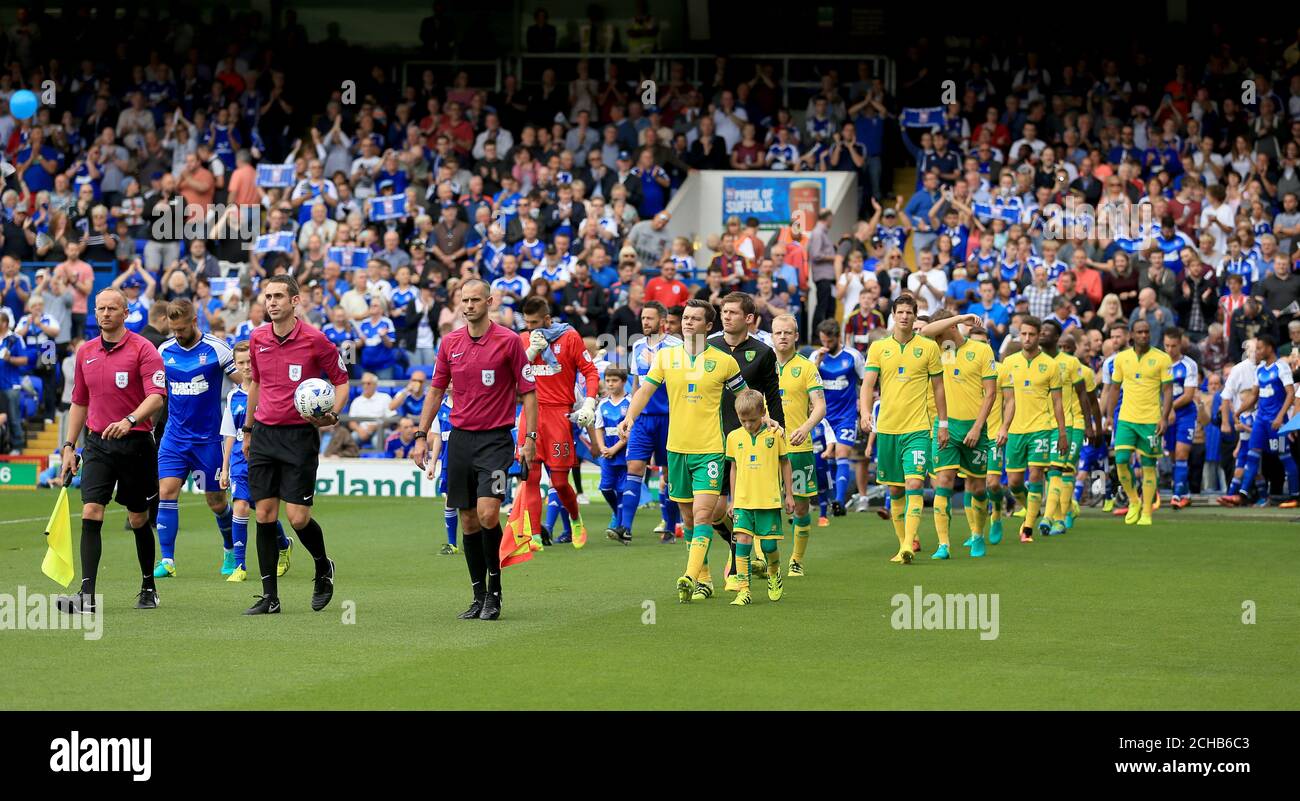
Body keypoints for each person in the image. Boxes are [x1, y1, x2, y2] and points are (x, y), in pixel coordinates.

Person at [410, 278, 538, 621]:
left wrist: (530, 439)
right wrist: (421, 435)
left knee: (487, 514)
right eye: (464, 300)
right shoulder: (450, 343)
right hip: (461, 442)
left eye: (475, 300)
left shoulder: (509, 342)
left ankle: (495, 592)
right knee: (467, 521)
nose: (469, 305)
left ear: (490, 302)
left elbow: (528, 393)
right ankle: (478, 595)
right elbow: (435, 391)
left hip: (496, 441)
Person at [617, 299, 753, 604]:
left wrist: (764, 419)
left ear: (708, 326)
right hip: (676, 448)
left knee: (705, 514)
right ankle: (704, 578)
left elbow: (746, 397)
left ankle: (689, 576)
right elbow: (645, 390)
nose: (688, 322)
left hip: (710, 449)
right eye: (686, 317)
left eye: (695, 318)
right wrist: (629, 417)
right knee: (689, 519)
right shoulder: (665, 358)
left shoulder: (724, 361)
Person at [241, 274, 350, 615]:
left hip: (299, 437)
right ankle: (269, 597)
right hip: (263, 434)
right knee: (264, 513)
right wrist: (247, 428)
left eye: (277, 296)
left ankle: (322, 565)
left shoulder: (316, 340)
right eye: (267, 297)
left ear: (294, 301)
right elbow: (256, 384)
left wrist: (332, 415)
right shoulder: (257, 337)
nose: (270, 302)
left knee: (298, 517)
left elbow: (342, 381)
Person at [57, 288, 167, 614]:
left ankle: (148, 585)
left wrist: (130, 419)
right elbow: (79, 401)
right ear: (94, 313)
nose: (105, 313)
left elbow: (157, 396)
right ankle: (86, 595)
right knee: (91, 511)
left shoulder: (144, 349)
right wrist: (68, 445)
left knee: (138, 518)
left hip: (135, 445)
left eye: (112, 308)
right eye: (100, 308)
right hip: (97, 444)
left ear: (126, 312)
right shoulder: (85, 352)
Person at [151, 300, 241, 580]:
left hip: (208, 442)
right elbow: (153, 391)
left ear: (194, 321)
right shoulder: (163, 351)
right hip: (174, 439)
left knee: (215, 501)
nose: (177, 333)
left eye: (181, 328)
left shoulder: (217, 348)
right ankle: (167, 560)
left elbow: (244, 382)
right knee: (166, 492)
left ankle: (228, 549)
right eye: (173, 329)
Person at [706, 292, 786, 597]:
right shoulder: (709, 346)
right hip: (713, 437)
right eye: (724, 312)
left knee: (742, 506)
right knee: (715, 510)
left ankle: (740, 564)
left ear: (749, 319)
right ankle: (734, 544)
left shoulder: (763, 353)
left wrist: (779, 428)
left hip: (749, 442)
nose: (726, 316)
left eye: (733, 312)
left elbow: (773, 394)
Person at [859, 293, 947, 563]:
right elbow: (868, 384)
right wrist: (864, 412)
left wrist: (943, 423)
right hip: (887, 428)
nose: (905, 317)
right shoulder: (878, 348)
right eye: (901, 312)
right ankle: (901, 545)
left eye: (910, 312)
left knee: (915, 483)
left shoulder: (929, 348)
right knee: (895, 490)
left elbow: (939, 388)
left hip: (918, 429)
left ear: (915, 314)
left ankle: (909, 544)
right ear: (894, 315)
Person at [512, 296, 599, 548]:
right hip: (530, 414)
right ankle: (535, 535)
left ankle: (575, 518)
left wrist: (590, 403)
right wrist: (529, 352)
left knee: (560, 482)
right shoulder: (522, 339)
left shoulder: (569, 338)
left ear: (548, 319)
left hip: (558, 416)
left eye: (535, 322)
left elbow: (590, 372)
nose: (531, 328)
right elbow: (510, 375)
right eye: (527, 323)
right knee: (530, 477)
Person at [917, 311, 998, 558]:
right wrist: (959, 318)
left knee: (977, 487)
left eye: (941, 334)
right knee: (944, 482)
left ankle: (977, 535)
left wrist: (977, 427)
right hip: (946, 427)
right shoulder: (945, 350)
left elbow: (991, 394)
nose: (936, 339)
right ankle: (944, 544)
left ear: (950, 331)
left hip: (975, 429)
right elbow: (925, 332)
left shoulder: (981, 351)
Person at [218, 341, 293, 581]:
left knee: (262, 510)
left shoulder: (269, 391)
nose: (246, 367)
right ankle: (240, 566)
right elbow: (230, 434)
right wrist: (225, 468)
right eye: (240, 363)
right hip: (241, 459)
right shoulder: (233, 396)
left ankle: (283, 544)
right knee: (240, 505)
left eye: (249, 361)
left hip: (265, 457)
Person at [998, 315, 1068, 542]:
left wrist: (1062, 432)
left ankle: (1027, 527)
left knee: (1037, 473)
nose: (1027, 338)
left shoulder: (1050, 365)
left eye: (1031, 335)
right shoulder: (1009, 362)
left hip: (1041, 427)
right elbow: (1004, 400)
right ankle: (1032, 506)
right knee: (1015, 482)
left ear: (1039, 336)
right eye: (1023, 334)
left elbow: (1058, 402)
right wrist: (1003, 427)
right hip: (1016, 430)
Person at [724, 389, 795, 607]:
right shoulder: (734, 437)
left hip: (768, 500)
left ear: (763, 412)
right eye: (743, 420)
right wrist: (733, 499)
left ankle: (774, 573)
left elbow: (785, 463)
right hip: (744, 502)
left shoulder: (775, 435)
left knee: (769, 546)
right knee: (742, 543)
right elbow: (734, 469)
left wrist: (789, 494)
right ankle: (744, 590)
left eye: (752, 420)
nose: (747, 425)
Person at [621, 301, 683, 545]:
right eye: (643, 318)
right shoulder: (636, 346)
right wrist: (630, 415)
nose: (645, 322)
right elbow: (638, 385)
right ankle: (624, 527)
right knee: (634, 467)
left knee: (669, 474)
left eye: (650, 318)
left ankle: (669, 526)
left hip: (670, 418)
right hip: (643, 420)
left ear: (662, 321)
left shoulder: (676, 346)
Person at [771, 313, 826, 576]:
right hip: (768, 448)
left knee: (801, 506)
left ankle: (795, 559)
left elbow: (820, 407)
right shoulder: (763, 365)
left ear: (796, 336)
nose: (783, 337)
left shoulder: (806, 367)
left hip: (798, 448)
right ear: (772, 336)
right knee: (765, 504)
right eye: (778, 333)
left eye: (787, 333)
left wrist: (805, 428)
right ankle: (764, 560)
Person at [1103, 319, 1173, 525]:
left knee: (1148, 465)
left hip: (1151, 420)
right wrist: (1108, 415)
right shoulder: (1121, 359)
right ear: (1132, 335)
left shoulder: (1161, 358)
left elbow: (1167, 390)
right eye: (1139, 332)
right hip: (1126, 418)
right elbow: (1114, 388)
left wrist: (1164, 416)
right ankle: (1133, 500)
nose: (1143, 335)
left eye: (1146, 332)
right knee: (1121, 460)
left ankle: (1146, 512)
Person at [1219, 334, 1297, 507]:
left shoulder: (1281, 367)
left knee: (1285, 457)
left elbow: (1291, 393)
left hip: (1277, 422)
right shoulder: (1260, 370)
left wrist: (1280, 417)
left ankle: (1295, 496)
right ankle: (1242, 495)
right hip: (1261, 421)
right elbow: (1254, 395)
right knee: (1252, 456)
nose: (1257, 352)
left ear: (1269, 348)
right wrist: (1239, 410)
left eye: (1260, 348)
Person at [1035, 319, 1097, 537]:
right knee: (1050, 472)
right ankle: (1067, 507)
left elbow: (1083, 394)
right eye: (1040, 330)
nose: (1042, 333)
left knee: (1060, 470)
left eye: (1047, 331)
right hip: (1042, 425)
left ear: (1056, 336)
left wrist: (1089, 426)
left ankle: (1053, 518)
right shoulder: (1036, 361)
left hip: (1070, 424)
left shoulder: (1070, 363)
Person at [812, 318, 865, 517]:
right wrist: (817, 363)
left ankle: (840, 501)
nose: (825, 345)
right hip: (823, 417)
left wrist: (863, 404)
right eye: (823, 341)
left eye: (829, 341)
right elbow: (808, 383)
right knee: (827, 460)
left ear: (838, 337)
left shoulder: (852, 356)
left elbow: (865, 380)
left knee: (842, 452)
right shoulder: (816, 356)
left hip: (846, 415)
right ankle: (835, 497)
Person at [591, 368, 631, 541]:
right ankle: (617, 515)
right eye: (607, 380)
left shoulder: (630, 402)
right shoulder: (603, 404)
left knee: (622, 490)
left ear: (623, 381)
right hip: (607, 453)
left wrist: (615, 448)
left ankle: (620, 525)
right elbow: (598, 427)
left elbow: (631, 431)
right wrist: (602, 447)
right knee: (606, 488)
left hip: (624, 453)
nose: (610, 384)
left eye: (614, 380)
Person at [1162, 327, 1200, 508]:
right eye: (1167, 346)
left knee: (1181, 452)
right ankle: (1185, 492)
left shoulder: (1189, 365)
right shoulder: (1158, 363)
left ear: (1180, 344)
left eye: (1173, 346)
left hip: (1185, 413)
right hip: (1165, 415)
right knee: (1172, 456)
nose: (1169, 350)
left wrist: (1169, 408)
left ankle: (1176, 496)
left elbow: (1188, 395)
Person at [425, 388, 459, 555]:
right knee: (450, 500)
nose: (450, 382)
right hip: (448, 462)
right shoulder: (440, 408)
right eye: (448, 379)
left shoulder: (467, 404)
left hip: (469, 459)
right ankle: (452, 544)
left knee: (475, 503)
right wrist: (432, 463)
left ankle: (479, 540)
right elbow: (438, 438)